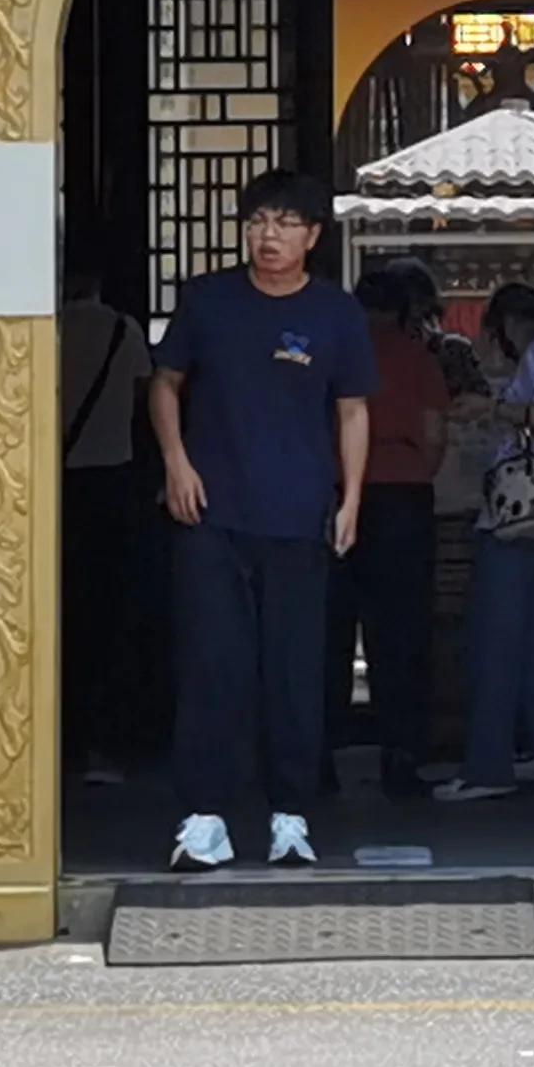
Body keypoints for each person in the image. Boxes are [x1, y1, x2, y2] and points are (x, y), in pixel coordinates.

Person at [149, 169, 373, 871]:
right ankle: (205, 816)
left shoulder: (335, 314)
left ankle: (290, 815)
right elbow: (165, 382)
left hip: (299, 516)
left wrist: (352, 499)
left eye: (283, 223)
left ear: (312, 236)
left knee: (294, 670)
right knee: (213, 664)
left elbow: (354, 410)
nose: (267, 235)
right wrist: (176, 463)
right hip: (212, 516)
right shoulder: (209, 302)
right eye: (257, 222)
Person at [438, 282, 534, 803]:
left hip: (519, 523)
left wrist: (489, 409)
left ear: (506, 327)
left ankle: (488, 767)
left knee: (495, 649)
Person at [333, 265, 449, 799]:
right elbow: (433, 438)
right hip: (403, 493)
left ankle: (319, 754)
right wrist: (416, 471)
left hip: (339, 493)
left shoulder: (337, 353)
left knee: (330, 627)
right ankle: (401, 755)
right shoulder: (418, 357)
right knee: (400, 630)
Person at [57, 249, 156, 781]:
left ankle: (59, 740)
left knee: (57, 610)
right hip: (110, 478)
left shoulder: (43, 330)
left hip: (50, 481)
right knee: (105, 611)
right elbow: (146, 399)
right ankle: (101, 742)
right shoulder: (124, 331)